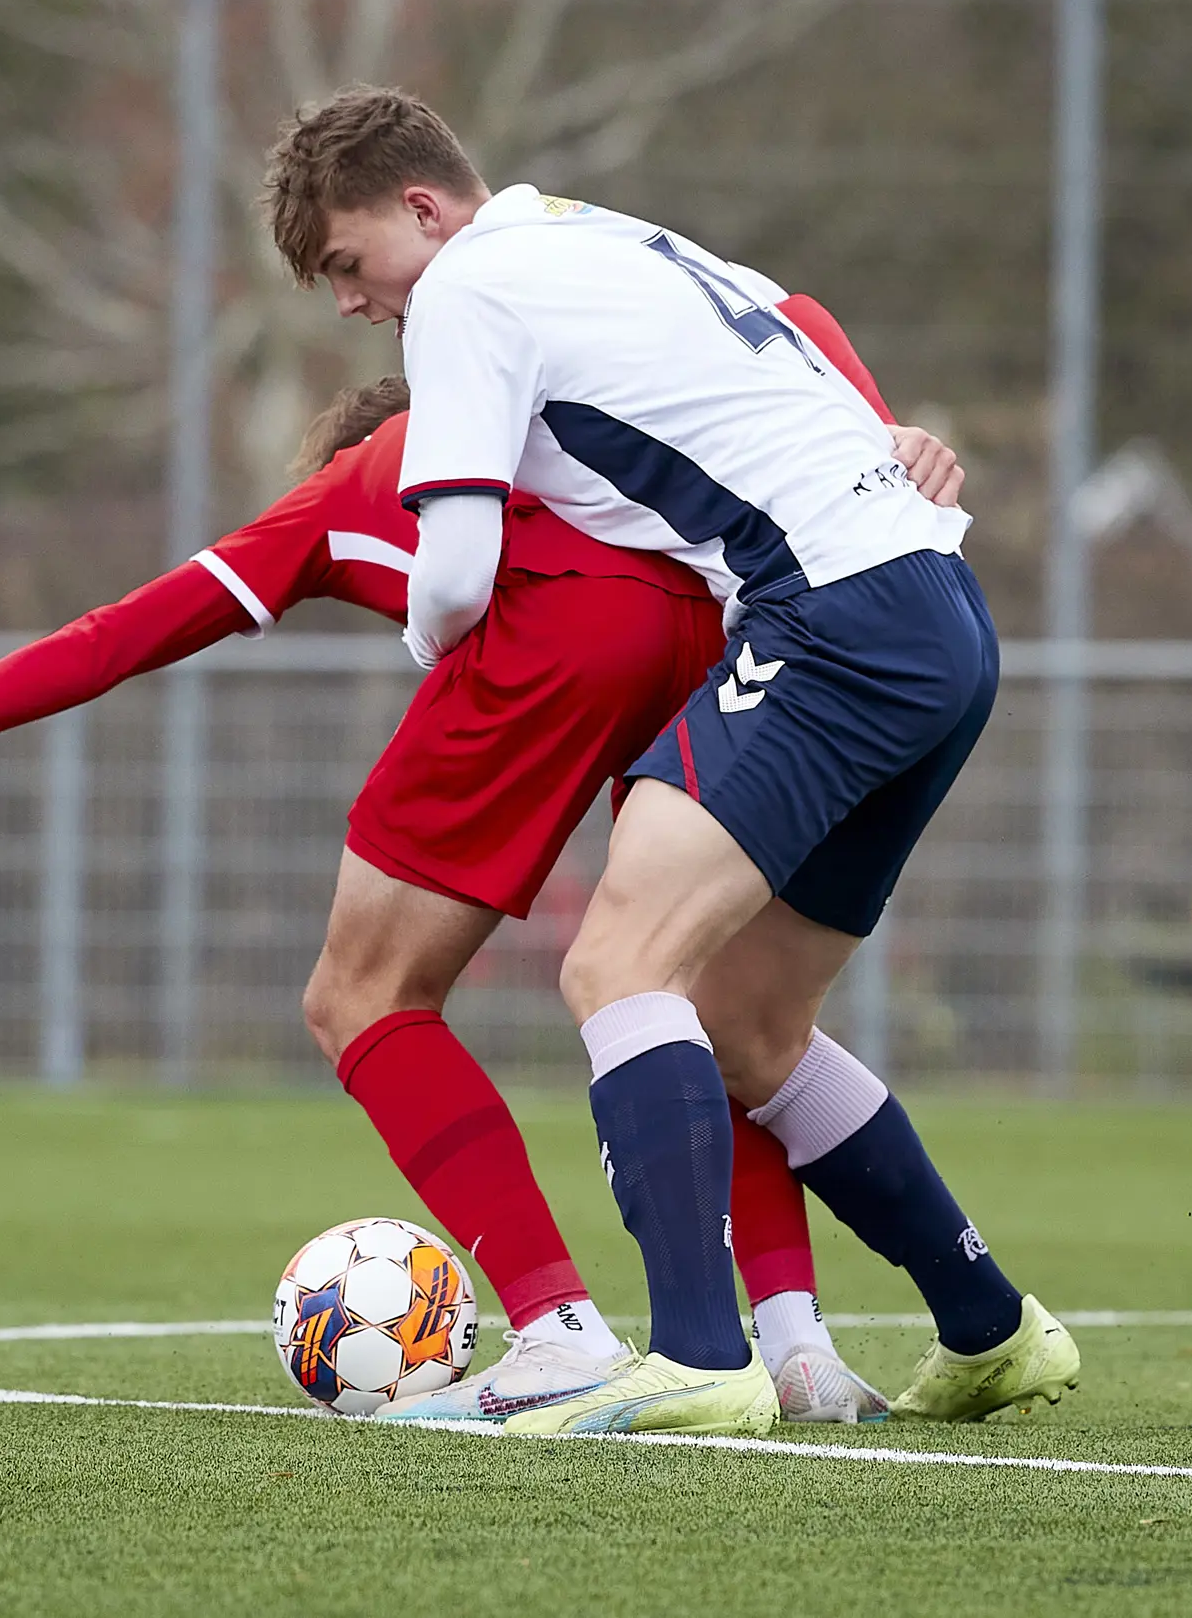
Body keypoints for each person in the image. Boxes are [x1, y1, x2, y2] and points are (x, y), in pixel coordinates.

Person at [0, 350, 958, 1426]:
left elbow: (116, 634)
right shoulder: (572, 421)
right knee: (687, 992)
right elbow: (777, 309)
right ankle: (795, 1344)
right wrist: (876, 422)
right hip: (733, 622)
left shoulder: (349, 484)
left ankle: (557, 1326)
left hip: (558, 644)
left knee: (360, 992)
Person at [265, 85, 1078, 1437]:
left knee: (616, 962)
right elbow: (797, 342)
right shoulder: (611, 236)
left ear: (421, 209)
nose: (353, 304)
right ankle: (992, 1328)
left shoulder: (466, 286)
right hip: (940, 614)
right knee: (751, 1021)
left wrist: (425, 636)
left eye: (350, 266)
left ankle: (702, 1357)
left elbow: (458, 565)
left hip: (831, 614)